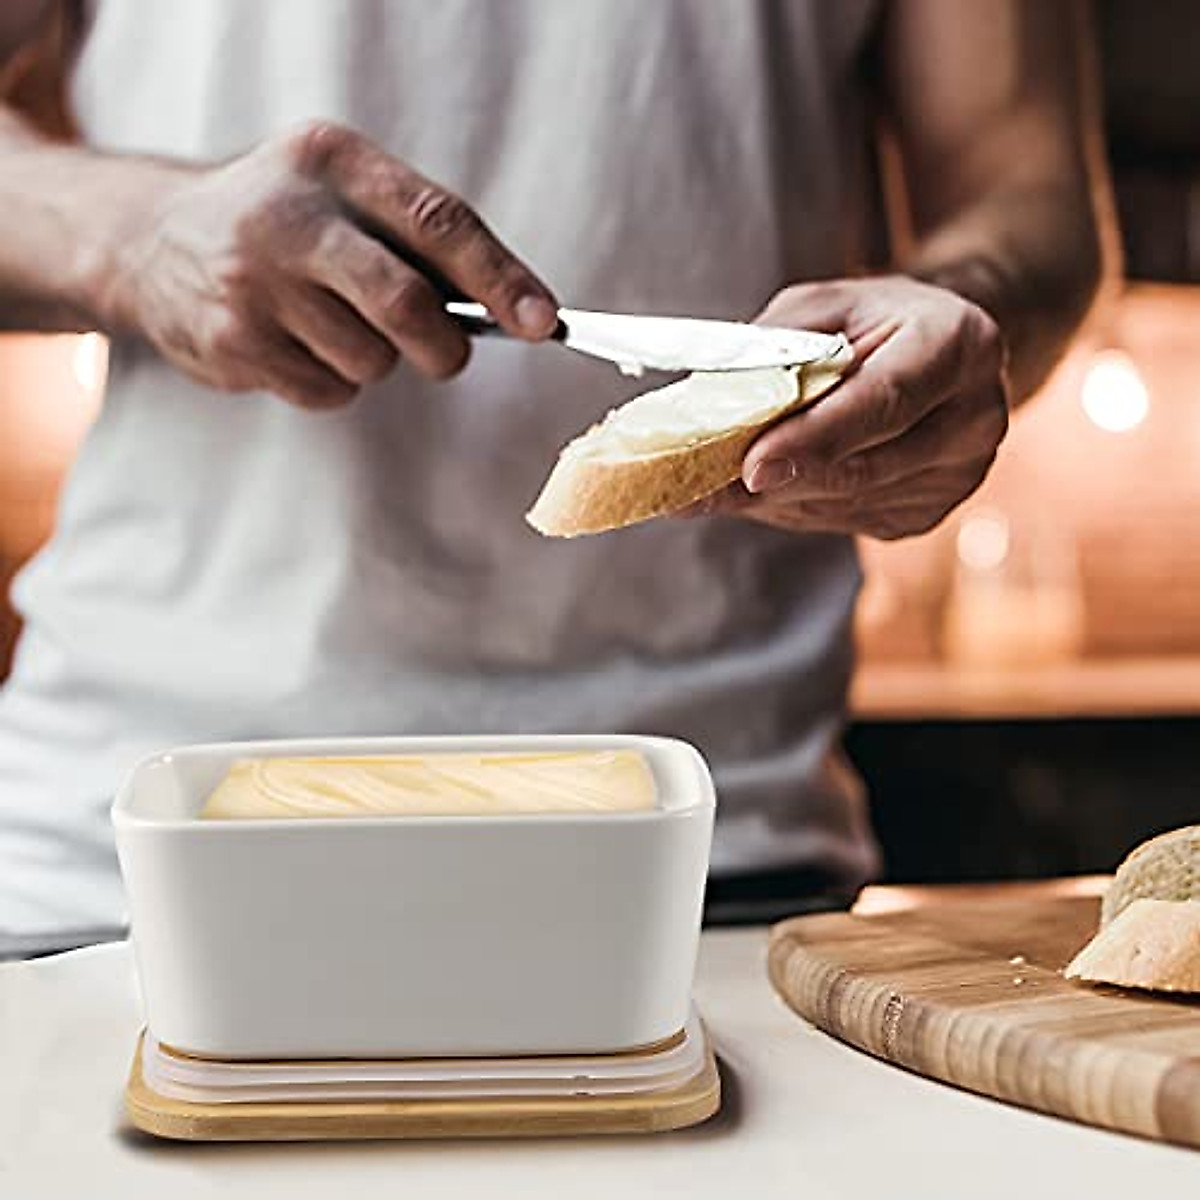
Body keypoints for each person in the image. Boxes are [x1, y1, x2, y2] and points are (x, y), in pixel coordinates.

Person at [0, 0, 1108, 948]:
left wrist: (964, 320)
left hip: (700, 854)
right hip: (143, 843)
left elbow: (1029, 196)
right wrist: (129, 230)